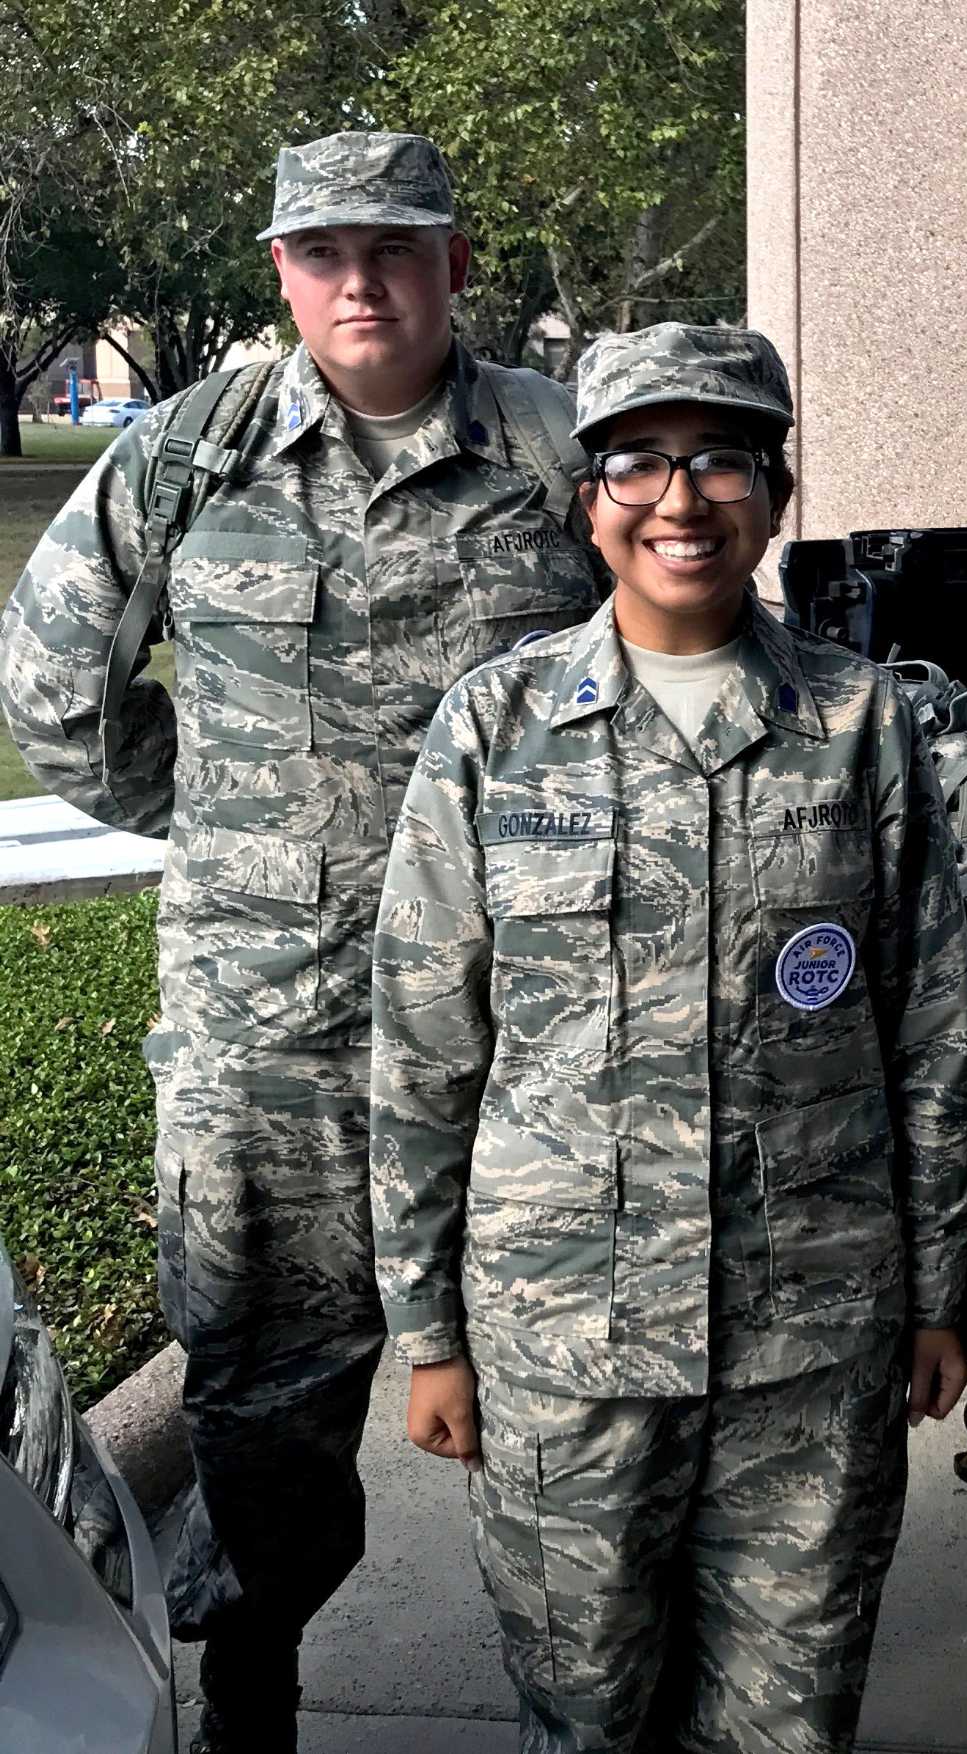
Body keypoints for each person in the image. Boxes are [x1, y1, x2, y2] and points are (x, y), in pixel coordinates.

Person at [0, 131, 605, 1751]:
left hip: (530, 1028)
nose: (362, 282)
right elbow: (51, 685)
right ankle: (249, 1687)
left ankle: (593, 1692)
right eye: (325, 253)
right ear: (281, 273)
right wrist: (222, 824)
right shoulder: (189, 456)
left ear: (454, 263)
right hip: (264, 1037)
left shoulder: (560, 450)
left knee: (569, 1382)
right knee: (260, 1403)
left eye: (397, 247)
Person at [369, 322, 967, 1753]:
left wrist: (939, 1295)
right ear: (592, 503)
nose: (680, 499)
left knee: (790, 1725)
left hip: (809, 1352)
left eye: (721, 460)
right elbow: (424, 1043)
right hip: (564, 1348)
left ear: (776, 493)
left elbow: (930, 1024)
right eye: (638, 463)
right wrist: (427, 1331)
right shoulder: (496, 728)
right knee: (585, 1716)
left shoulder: (859, 723)